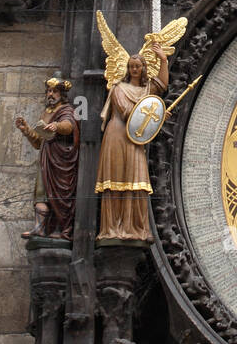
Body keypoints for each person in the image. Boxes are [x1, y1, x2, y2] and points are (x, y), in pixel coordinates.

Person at [95, 44, 167, 243]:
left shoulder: (146, 89)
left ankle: (136, 228)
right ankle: (112, 228)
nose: (134, 69)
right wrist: (155, 115)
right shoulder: (119, 89)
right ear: (127, 69)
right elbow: (128, 113)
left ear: (143, 68)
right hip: (118, 135)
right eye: (131, 66)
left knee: (138, 181)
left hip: (135, 138)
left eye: (138, 66)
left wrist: (163, 59)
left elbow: (162, 84)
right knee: (116, 179)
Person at [15, 77, 79, 240]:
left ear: (62, 94)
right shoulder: (46, 113)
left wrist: (57, 126)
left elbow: (69, 126)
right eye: (49, 91)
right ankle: (40, 228)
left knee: (59, 194)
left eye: (54, 91)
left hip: (60, 159)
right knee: (41, 192)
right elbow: (38, 142)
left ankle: (61, 228)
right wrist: (26, 130)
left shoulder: (66, 110)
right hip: (45, 157)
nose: (50, 94)